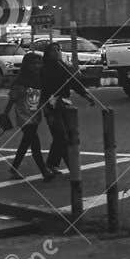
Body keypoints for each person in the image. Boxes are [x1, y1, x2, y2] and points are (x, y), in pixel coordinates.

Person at [40, 38, 97, 174]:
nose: (59, 52)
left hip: (64, 103)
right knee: (61, 135)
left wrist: (86, 95)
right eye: (55, 50)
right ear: (48, 54)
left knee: (66, 135)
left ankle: (60, 165)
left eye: (59, 49)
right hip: (50, 105)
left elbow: (74, 82)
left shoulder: (62, 66)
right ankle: (54, 164)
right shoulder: (44, 69)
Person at [0, 48, 52, 181]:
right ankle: (44, 171)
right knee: (34, 144)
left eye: (39, 63)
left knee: (26, 142)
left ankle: (14, 168)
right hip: (24, 116)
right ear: (26, 65)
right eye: (33, 63)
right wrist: (5, 114)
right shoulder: (20, 81)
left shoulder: (38, 79)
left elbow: (41, 97)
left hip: (35, 114)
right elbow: (12, 99)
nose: (36, 66)